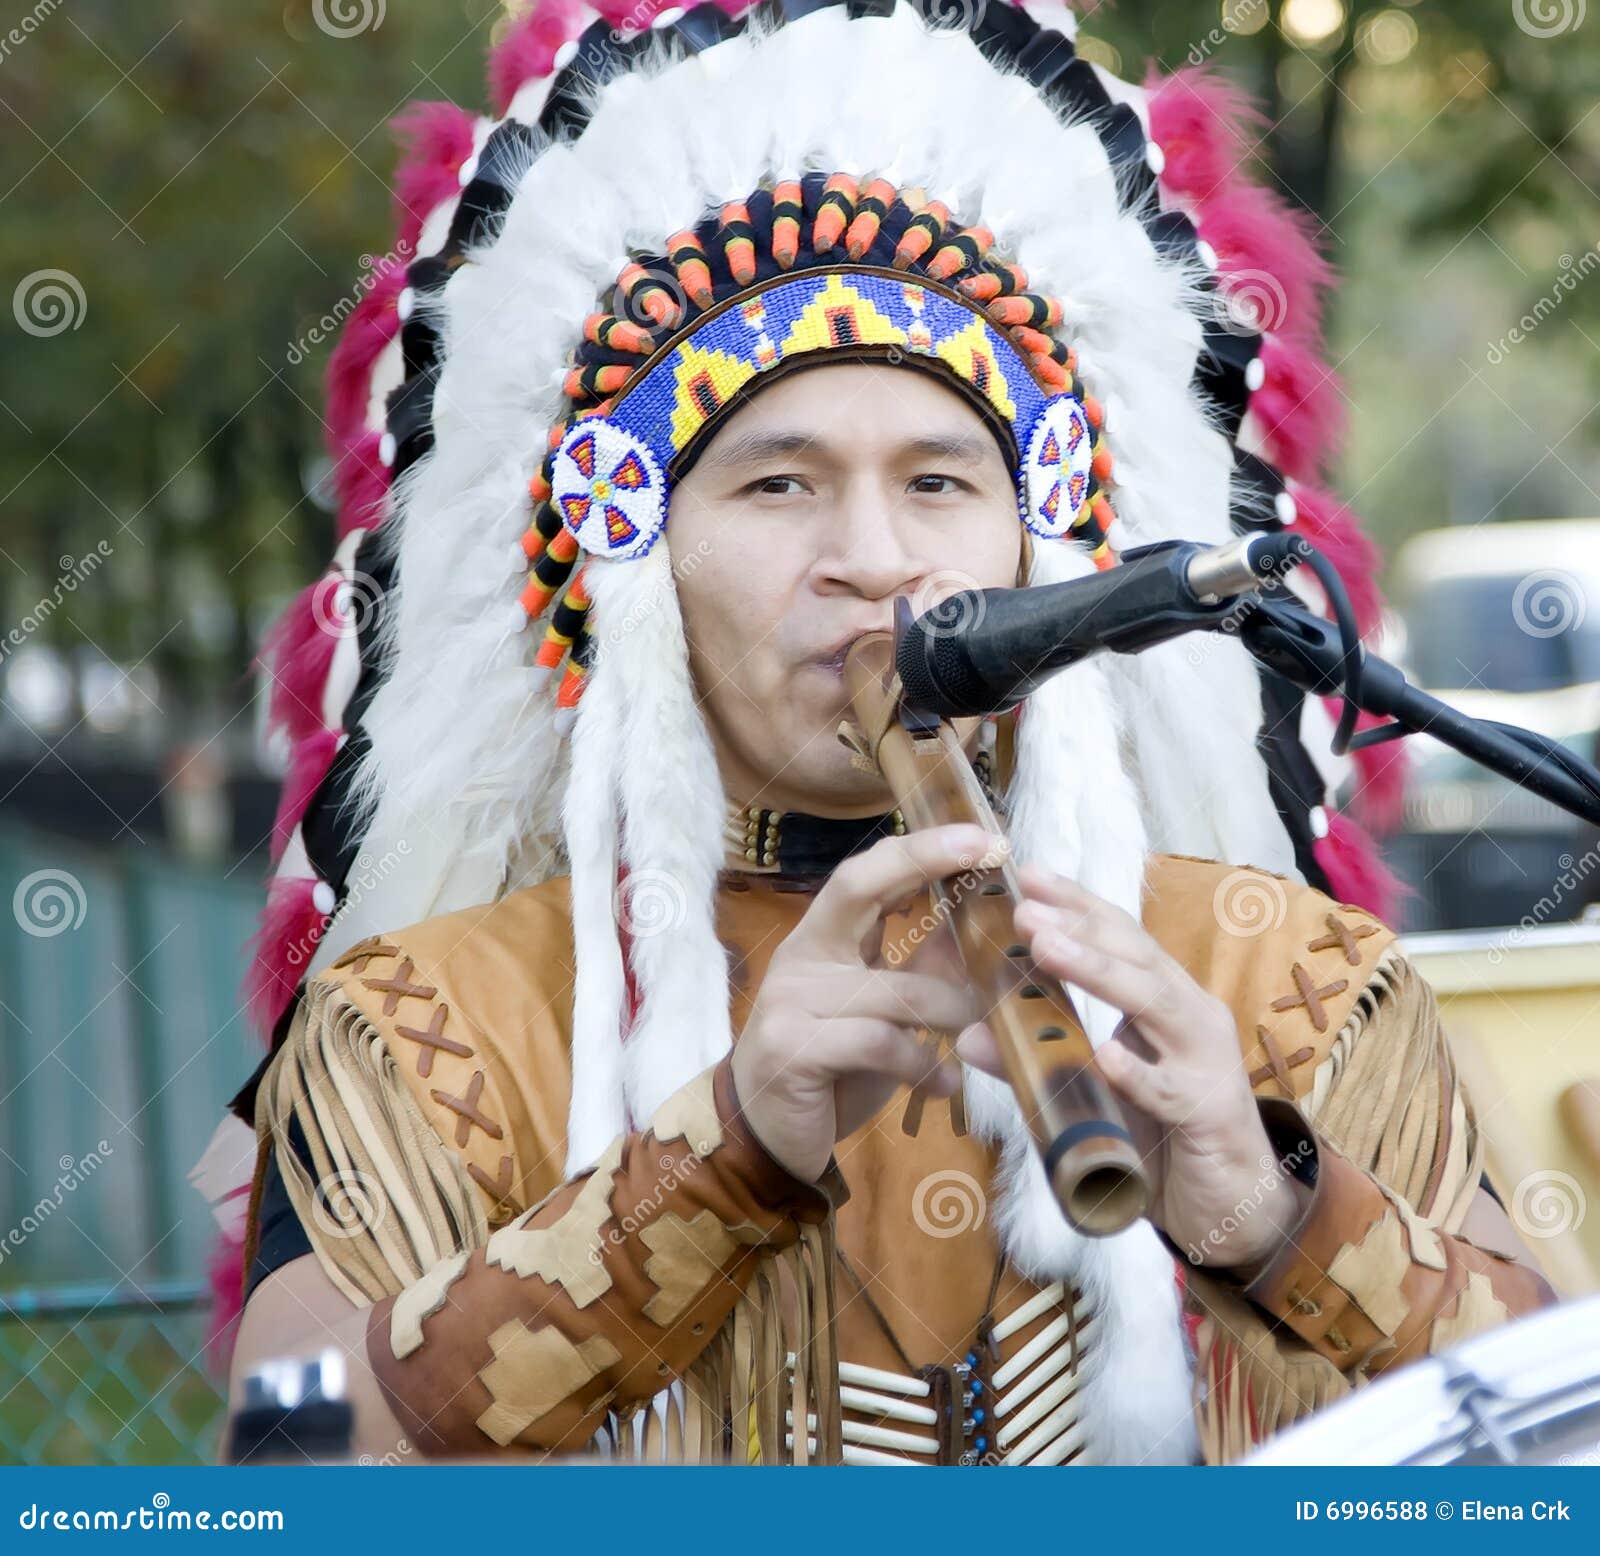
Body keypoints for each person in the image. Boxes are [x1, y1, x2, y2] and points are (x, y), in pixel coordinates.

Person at [220, 2, 1556, 1466]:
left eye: (936, 484)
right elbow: (292, 1468)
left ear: (1040, 549)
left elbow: (1557, 1447)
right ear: (634, 566)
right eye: (777, 487)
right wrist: (712, 1164)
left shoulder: (1289, 983)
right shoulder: (424, 1030)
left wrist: (1277, 1211)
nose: (874, 560)